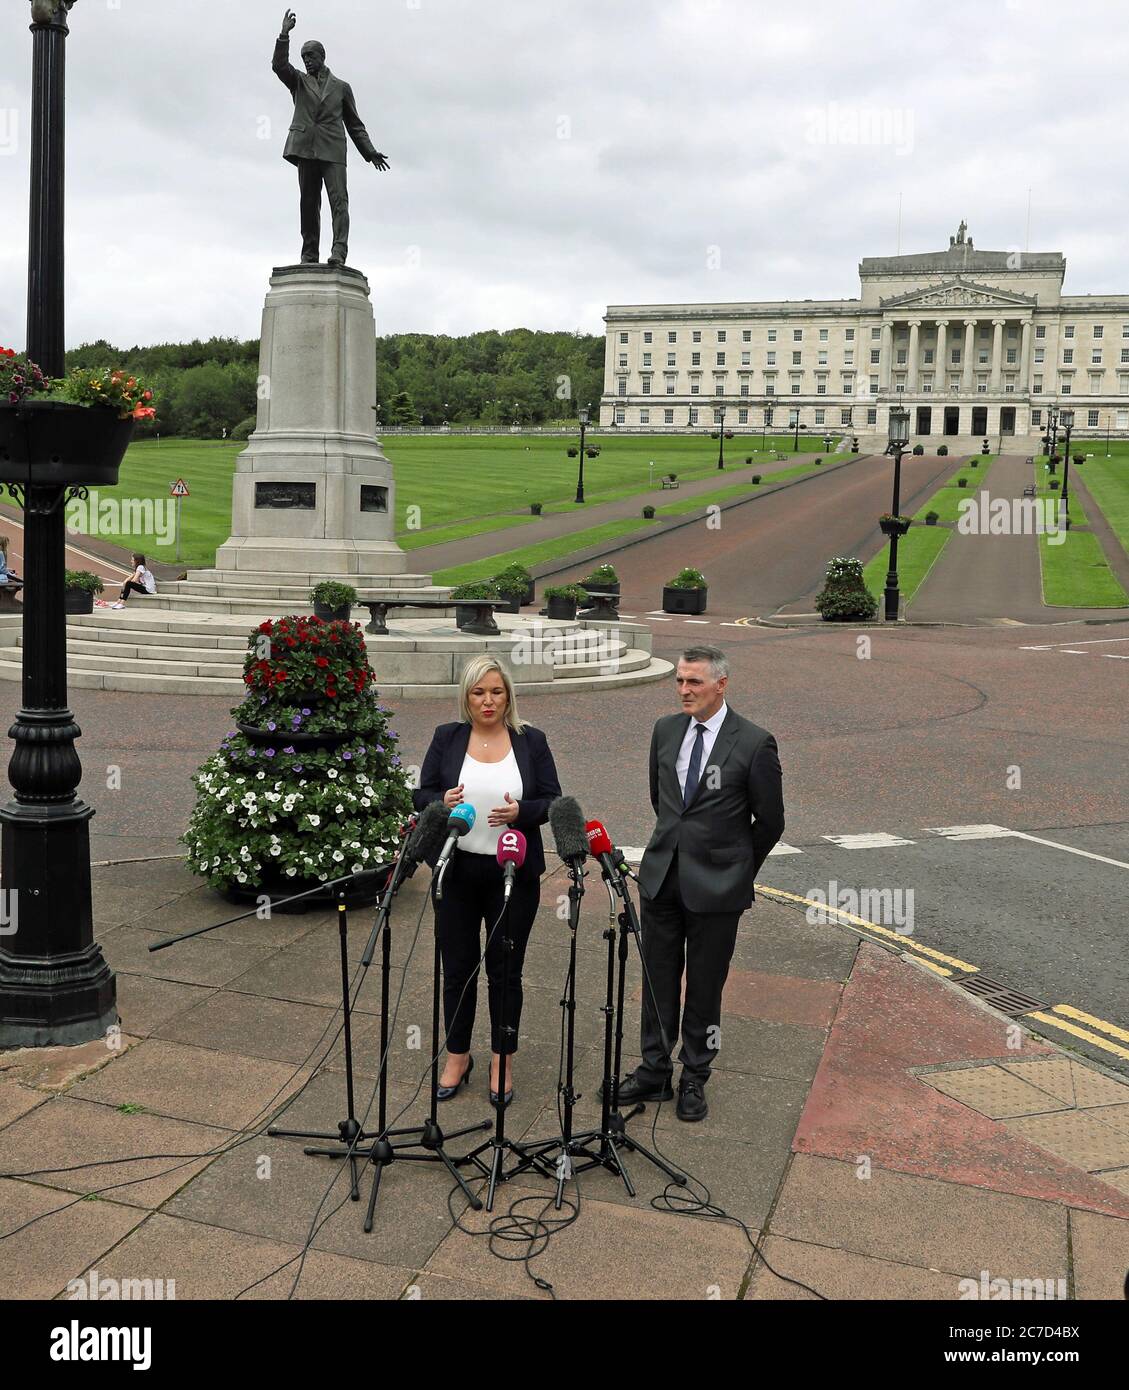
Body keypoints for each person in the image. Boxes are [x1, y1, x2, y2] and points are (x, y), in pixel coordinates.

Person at [615, 644, 785, 1122]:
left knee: (705, 986)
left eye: (694, 682)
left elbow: (770, 822)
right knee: (657, 980)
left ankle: (694, 1075)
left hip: (718, 889)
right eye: (679, 681)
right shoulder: (665, 730)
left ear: (721, 685)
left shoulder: (754, 742)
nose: (683, 690)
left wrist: (736, 872)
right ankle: (654, 1069)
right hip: (662, 879)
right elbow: (662, 798)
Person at [414, 655, 561, 1108]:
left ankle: (502, 1059)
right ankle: (458, 1055)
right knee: (457, 969)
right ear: (467, 696)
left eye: (496, 691)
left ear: (508, 695)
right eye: (479, 692)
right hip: (456, 871)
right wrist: (440, 798)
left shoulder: (530, 741)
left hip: (512, 875)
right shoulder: (448, 737)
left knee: (505, 971)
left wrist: (523, 812)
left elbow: (552, 799)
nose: (488, 700)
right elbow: (420, 795)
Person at [273, 9, 390, 267]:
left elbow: (355, 124)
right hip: (305, 149)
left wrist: (369, 152)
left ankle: (339, 252)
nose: (307, 61)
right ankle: (309, 254)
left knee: (339, 202)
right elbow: (279, 66)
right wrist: (284, 35)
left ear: (322, 56)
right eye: (303, 57)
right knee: (308, 203)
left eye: (311, 56)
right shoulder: (299, 82)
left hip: (333, 150)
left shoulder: (341, 88)